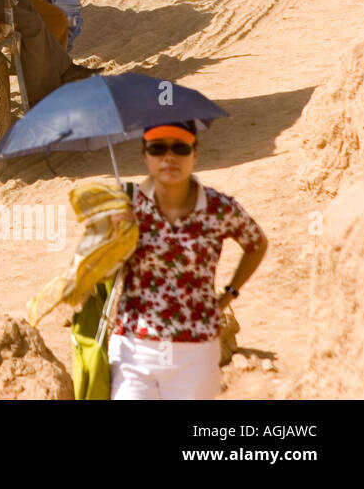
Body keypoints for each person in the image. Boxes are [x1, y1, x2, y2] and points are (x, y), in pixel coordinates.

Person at [109, 123, 267, 400]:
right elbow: (99, 272)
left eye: (180, 148)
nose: (169, 157)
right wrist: (110, 238)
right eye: (158, 149)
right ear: (145, 155)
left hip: (195, 351)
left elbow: (256, 244)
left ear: (195, 154)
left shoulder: (219, 208)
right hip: (133, 348)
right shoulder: (126, 204)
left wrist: (229, 294)